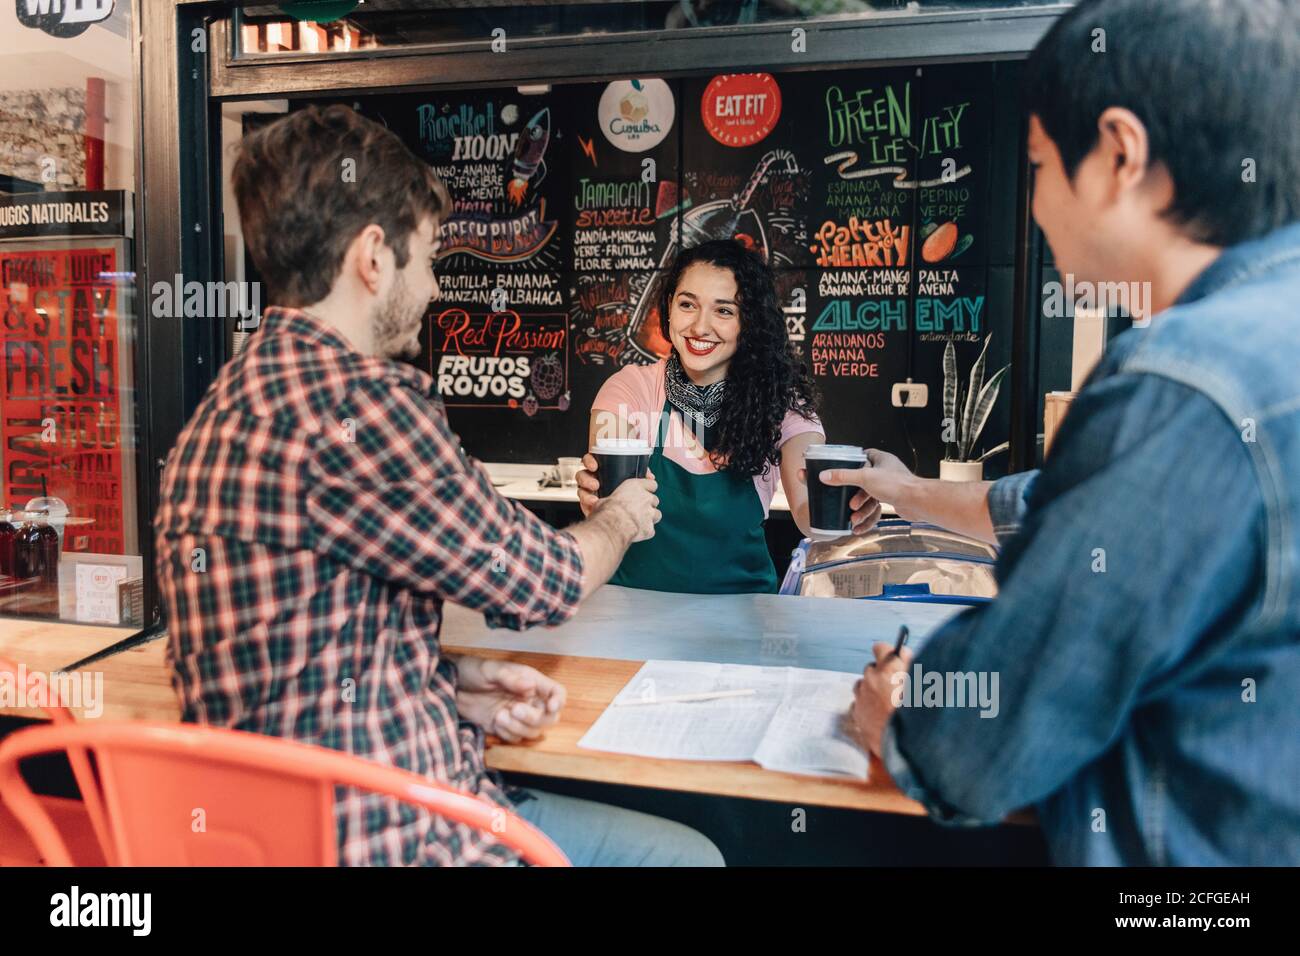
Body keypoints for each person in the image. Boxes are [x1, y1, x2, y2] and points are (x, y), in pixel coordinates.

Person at [154, 104, 723, 867]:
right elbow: (543, 583)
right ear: (372, 258)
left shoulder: (220, 408)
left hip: (255, 838)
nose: (430, 288)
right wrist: (619, 518)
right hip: (397, 835)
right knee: (686, 858)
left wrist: (445, 683)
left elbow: (293, 654)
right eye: (425, 258)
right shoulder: (368, 404)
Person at [830, 0, 1300, 865]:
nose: (1037, 202)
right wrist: (903, 493)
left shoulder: (1183, 384)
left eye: (1040, 164)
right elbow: (1074, 509)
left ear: (1119, 155)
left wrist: (897, 716)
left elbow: (980, 745)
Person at [576, 239, 869, 594]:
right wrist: (600, 505)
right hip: (631, 610)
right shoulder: (629, 391)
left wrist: (847, 510)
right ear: (668, 308)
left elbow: (810, 513)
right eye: (688, 305)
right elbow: (609, 502)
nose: (700, 327)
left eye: (724, 311)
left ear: (749, 322)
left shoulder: (781, 404)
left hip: (743, 618)